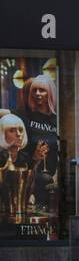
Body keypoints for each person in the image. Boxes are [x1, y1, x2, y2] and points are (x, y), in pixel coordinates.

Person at [20, 72, 59, 213]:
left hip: (54, 179)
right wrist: (34, 157)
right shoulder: (26, 116)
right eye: (34, 90)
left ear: (50, 92)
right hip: (32, 175)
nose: (37, 93)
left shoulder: (58, 119)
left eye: (42, 90)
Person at [0, 113, 35, 225]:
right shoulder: (1, 157)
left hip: (22, 212)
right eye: (12, 131)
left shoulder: (26, 158)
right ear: (2, 133)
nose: (19, 134)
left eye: (20, 130)